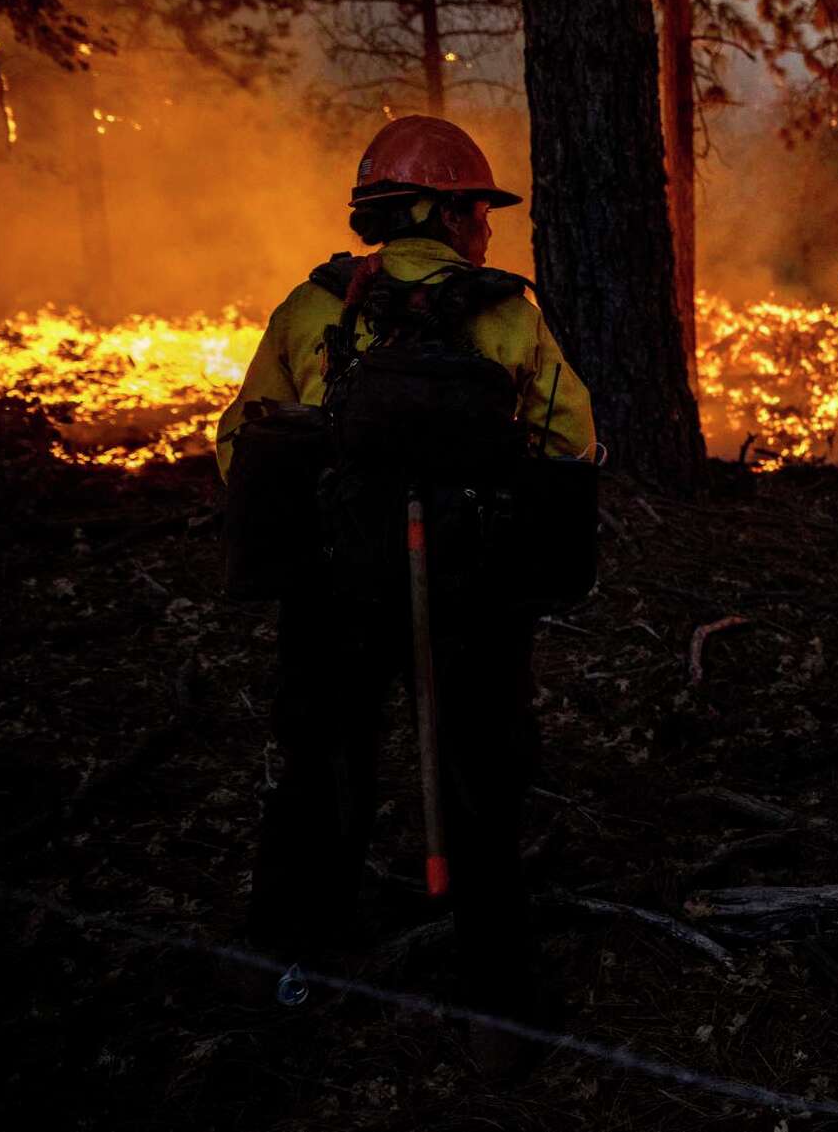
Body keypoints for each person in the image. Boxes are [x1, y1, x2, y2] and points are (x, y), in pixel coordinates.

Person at [216, 115, 593, 1076]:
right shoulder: (507, 315)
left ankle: (278, 966)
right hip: (471, 602)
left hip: (332, 594)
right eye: (481, 211)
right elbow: (571, 445)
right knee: (481, 788)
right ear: (451, 212)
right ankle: (497, 1017)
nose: (490, 232)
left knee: (319, 769)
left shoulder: (315, 309)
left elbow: (240, 444)